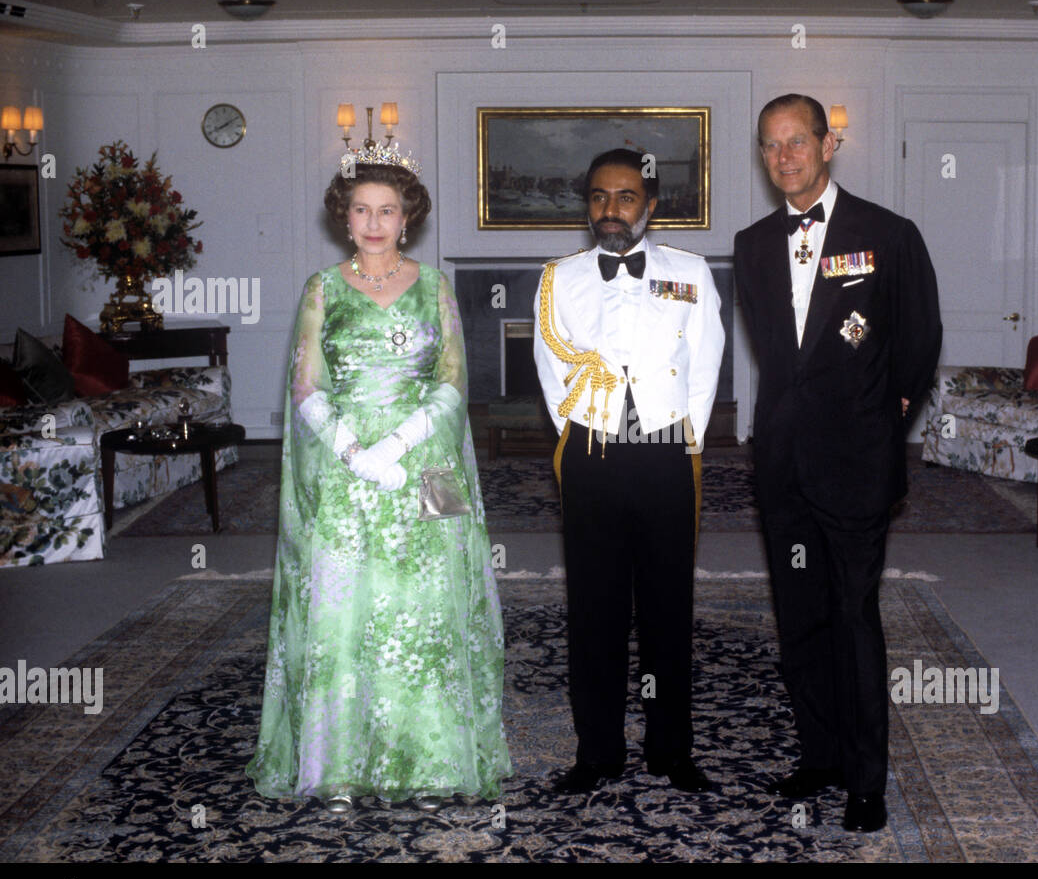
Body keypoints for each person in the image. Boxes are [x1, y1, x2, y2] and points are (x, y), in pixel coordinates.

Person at [246, 146, 511, 813]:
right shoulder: (322, 288)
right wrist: (352, 448)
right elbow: (305, 383)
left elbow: (453, 380)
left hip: (430, 466)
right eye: (361, 210)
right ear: (345, 217)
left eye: (386, 210)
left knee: (430, 608)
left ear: (407, 217)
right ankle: (338, 763)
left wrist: (398, 441)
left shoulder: (435, 286)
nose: (373, 222)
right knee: (345, 610)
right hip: (343, 470)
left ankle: (431, 759)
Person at [733, 95, 942, 832]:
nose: (784, 157)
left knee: (853, 617)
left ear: (828, 145)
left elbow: (918, 343)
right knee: (800, 618)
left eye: (798, 142)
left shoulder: (888, 234)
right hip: (783, 466)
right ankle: (819, 754)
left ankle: (865, 780)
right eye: (770, 146)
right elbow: (774, 355)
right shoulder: (752, 244)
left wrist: (885, 425)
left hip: (855, 463)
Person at [533, 148, 725, 794]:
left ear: (650, 204)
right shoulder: (561, 278)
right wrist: (590, 437)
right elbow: (551, 371)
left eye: (623, 197)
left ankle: (671, 750)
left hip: (668, 450)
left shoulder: (690, 272)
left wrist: (679, 438)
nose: (609, 210)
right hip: (593, 453)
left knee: (669, 608)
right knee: (595, 610)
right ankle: (599, 752)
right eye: (596, 197)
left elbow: (704, 362)